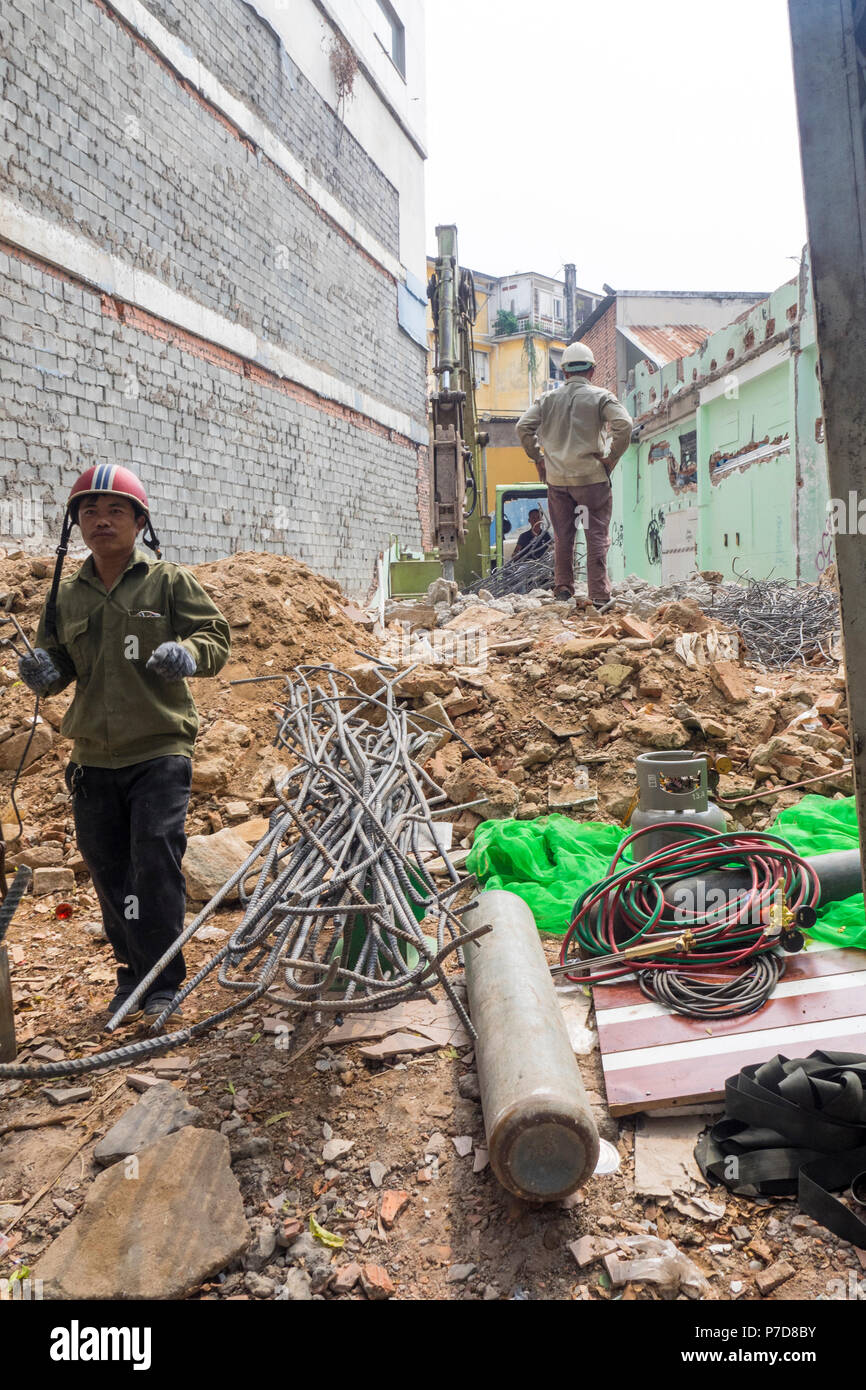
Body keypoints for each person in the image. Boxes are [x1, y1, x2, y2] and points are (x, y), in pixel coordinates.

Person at [17, 466, 231, 1026]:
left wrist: (188, 653)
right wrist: (43, 672)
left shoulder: (167, 582)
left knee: (154, 861)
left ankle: (163, 981)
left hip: (159, 748)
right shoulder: (64, 595)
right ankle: (131, 972)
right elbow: (58, 663)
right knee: (108, 867)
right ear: (77, 526)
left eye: (115, 510)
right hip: (92, 755)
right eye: (89, 512)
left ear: (139, 521)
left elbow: (215, 636)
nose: (102, 521)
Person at [516, 341, 633, 607]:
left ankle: (563, 589)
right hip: (592, 481)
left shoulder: (547, 400)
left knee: (563, 537)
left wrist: (538, 458)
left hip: (557, 482)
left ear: (565, 372)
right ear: (592, 370)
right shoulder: (601, 397)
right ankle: (599, 595)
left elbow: (523, 427)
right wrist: (612, 457)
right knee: (596, 536)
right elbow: (624, 425)